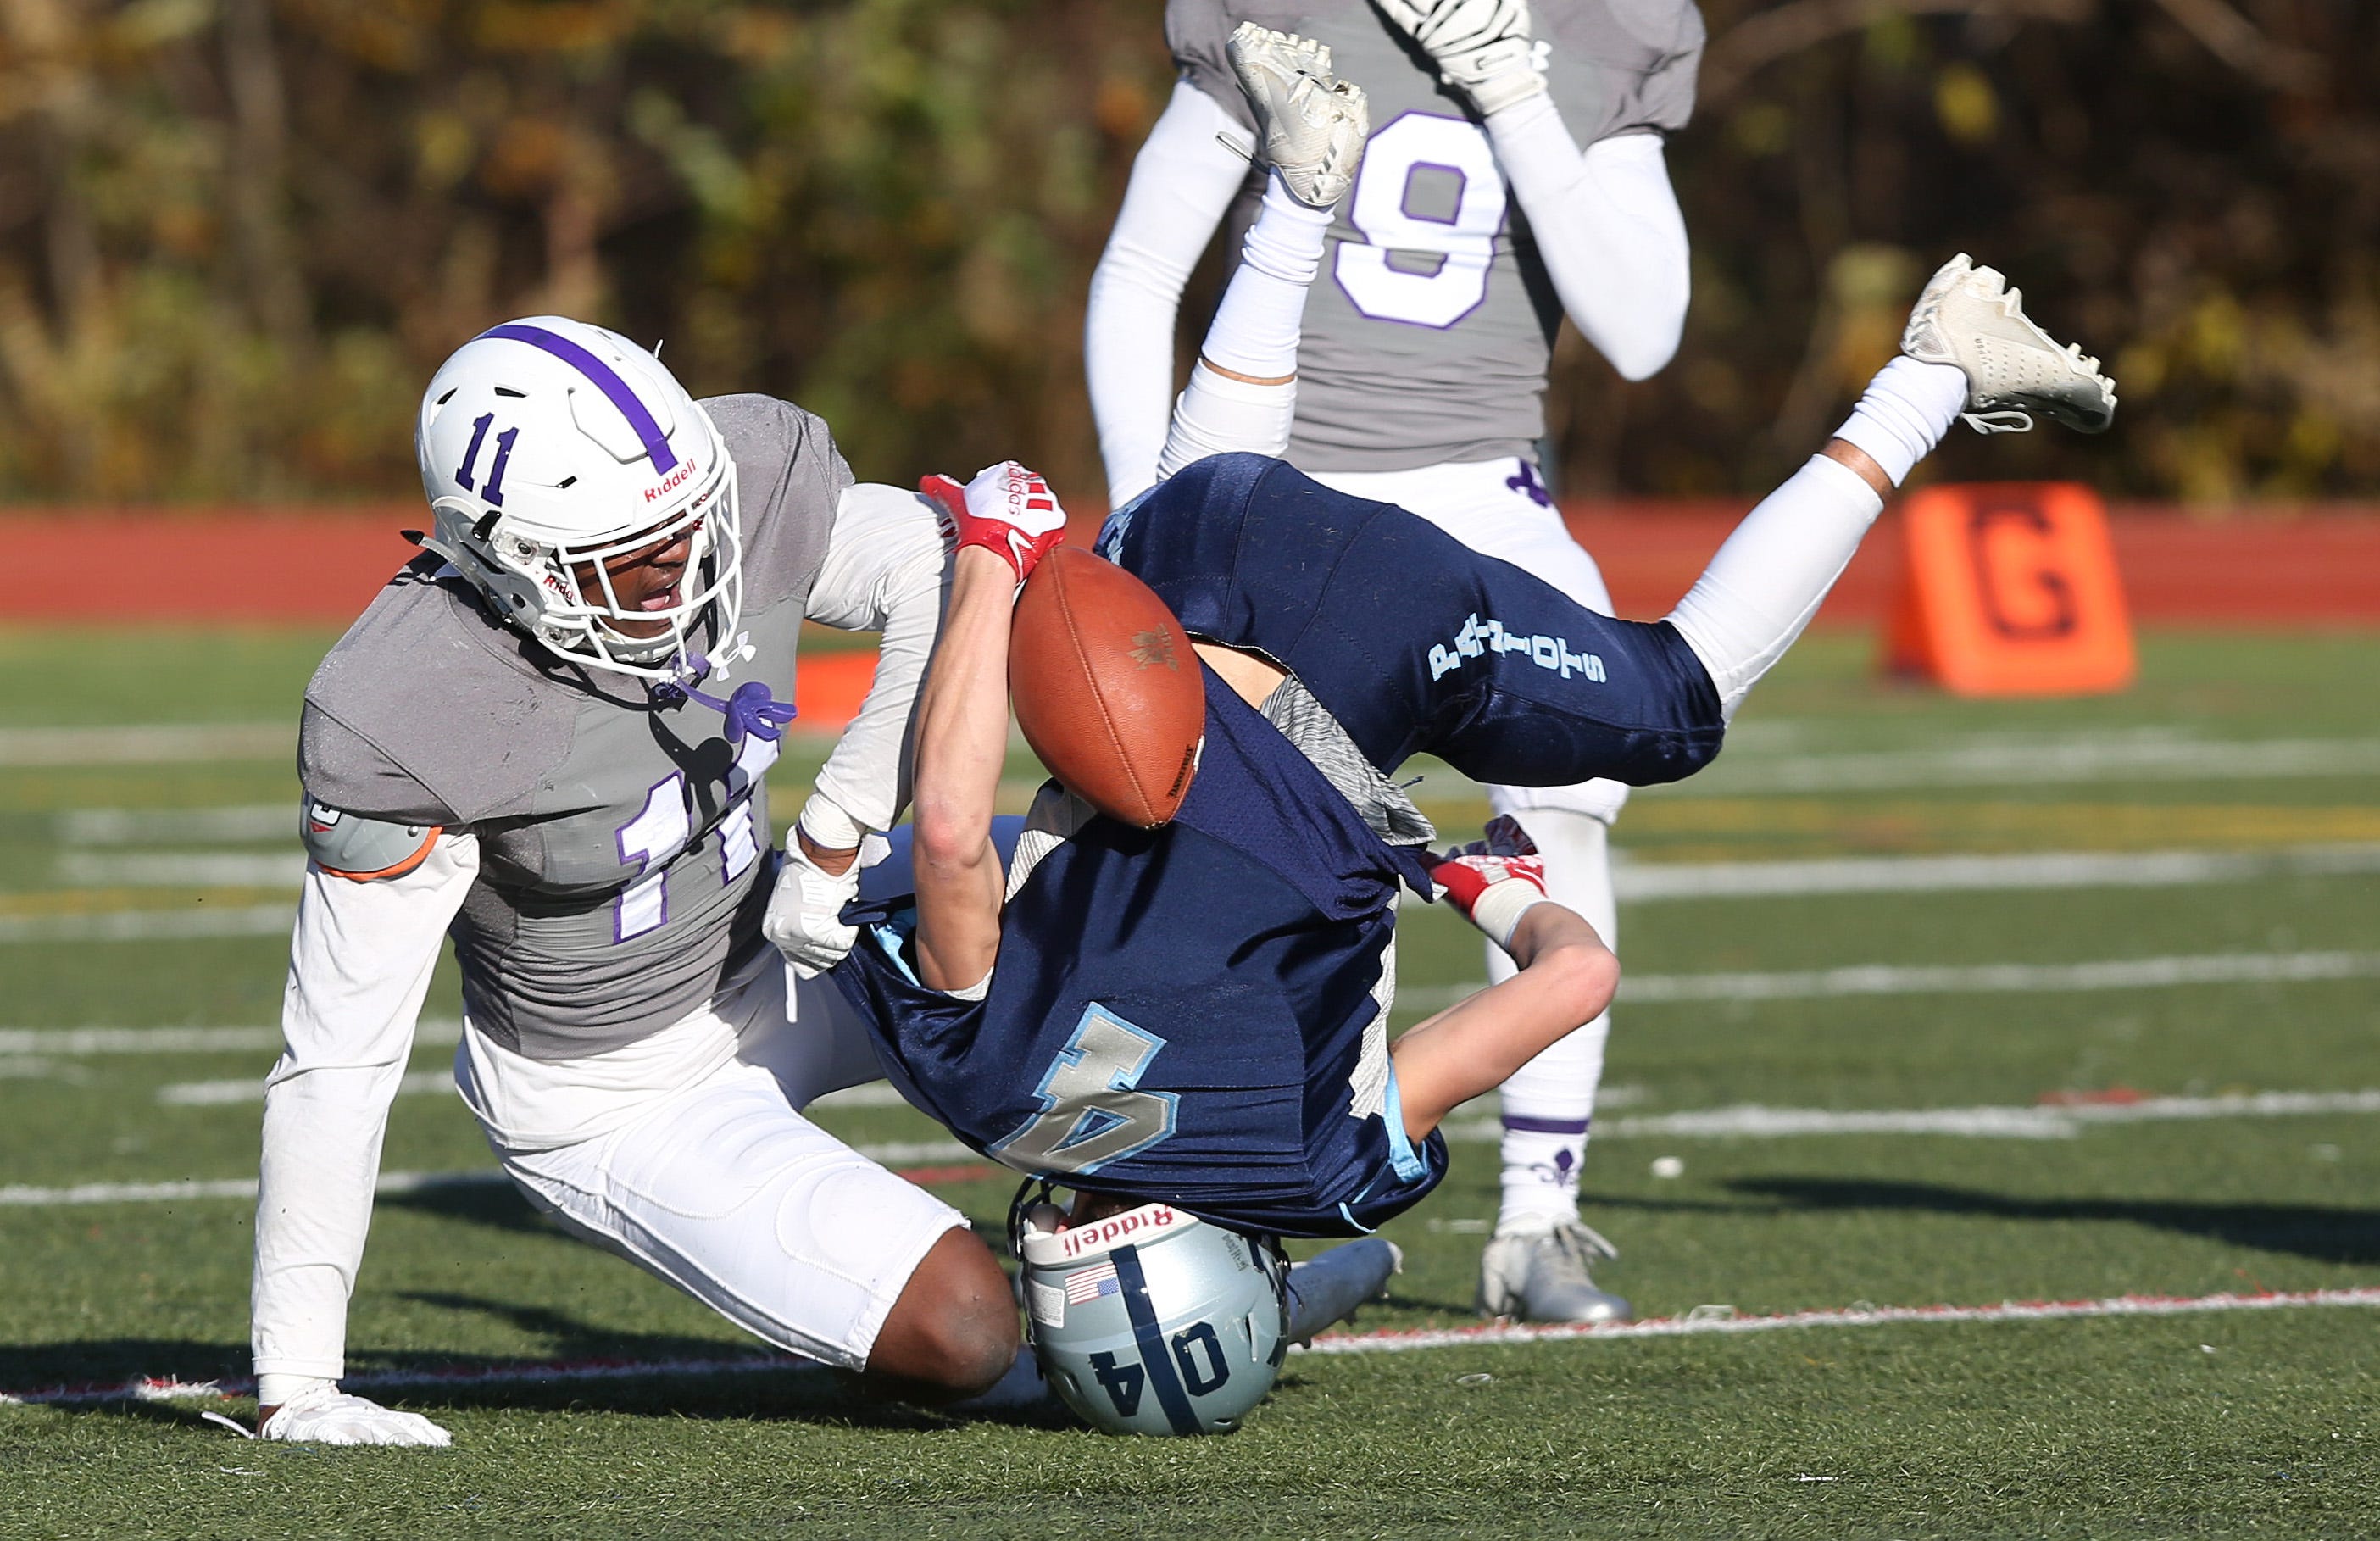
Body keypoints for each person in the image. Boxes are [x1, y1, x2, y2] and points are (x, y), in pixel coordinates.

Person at [843, 30, 2116, 1278]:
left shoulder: (1321, 1179)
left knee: (1678, 700)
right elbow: (953, 831)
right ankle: (1296, 206)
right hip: (1194, 549)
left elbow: (1576, 974)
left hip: (1364, 633)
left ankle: (1932, 373)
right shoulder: (986, 1091)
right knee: (1177, 629)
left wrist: (1468, 880)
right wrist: (993, 560)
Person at [247, 317, 1023, 1445]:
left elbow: (938, 573)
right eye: (634, 554)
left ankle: (1252, 1189)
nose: (687, 563)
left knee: (1091, 878)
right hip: (615, 1090)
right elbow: (337, 1057)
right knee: (967, 1329)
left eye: (689, 523)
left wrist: (841, 825)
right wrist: (299, 1378)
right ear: (506, 562)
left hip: (785, 938)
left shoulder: (736, 483)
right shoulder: (413, 703)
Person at [1085, 0, 1707, 1319]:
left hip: (1489, 492)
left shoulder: (1610, 24)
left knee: (1574, 799)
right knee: (1214, 847)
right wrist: (1155, 500)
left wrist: (1518, 92)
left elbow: (1645, 331)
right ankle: (1207, 1192)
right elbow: (1141, 269)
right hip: (1284, 489)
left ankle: (1540, 1213)